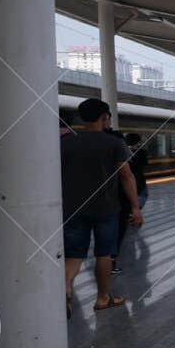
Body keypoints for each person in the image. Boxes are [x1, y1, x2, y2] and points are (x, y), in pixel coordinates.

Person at [61, 98, 142, 311]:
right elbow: (126, 176)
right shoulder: (114, 143)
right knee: (104, 253)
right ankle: (103, 298)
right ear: (104, 117)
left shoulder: (66, 142)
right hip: (106, 208)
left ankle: (66, 288)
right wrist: (135, 207)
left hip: (72, 208)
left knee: (74, 255)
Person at [111, 131, 150, 273]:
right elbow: (131, 174)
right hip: (136, 185)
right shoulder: (138, 153)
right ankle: (111, 260)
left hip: (117, 191)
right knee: (141, 197)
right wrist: (136, 208)